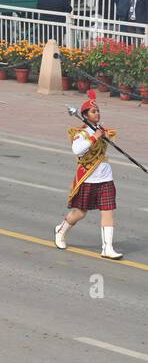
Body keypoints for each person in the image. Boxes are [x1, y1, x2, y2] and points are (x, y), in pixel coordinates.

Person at [54, 92, 124, 259]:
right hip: (88, 177)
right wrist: (95, 137)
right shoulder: (82, 134)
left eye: (97, 110)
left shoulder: (101, 130)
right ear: (84, 115)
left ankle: (107, 248)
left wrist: (102, 135)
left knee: (107, 211)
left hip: (105, 177)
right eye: (93, 111)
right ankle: (61, 230)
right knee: (80, 212)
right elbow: (77, 150)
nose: (97, 113)